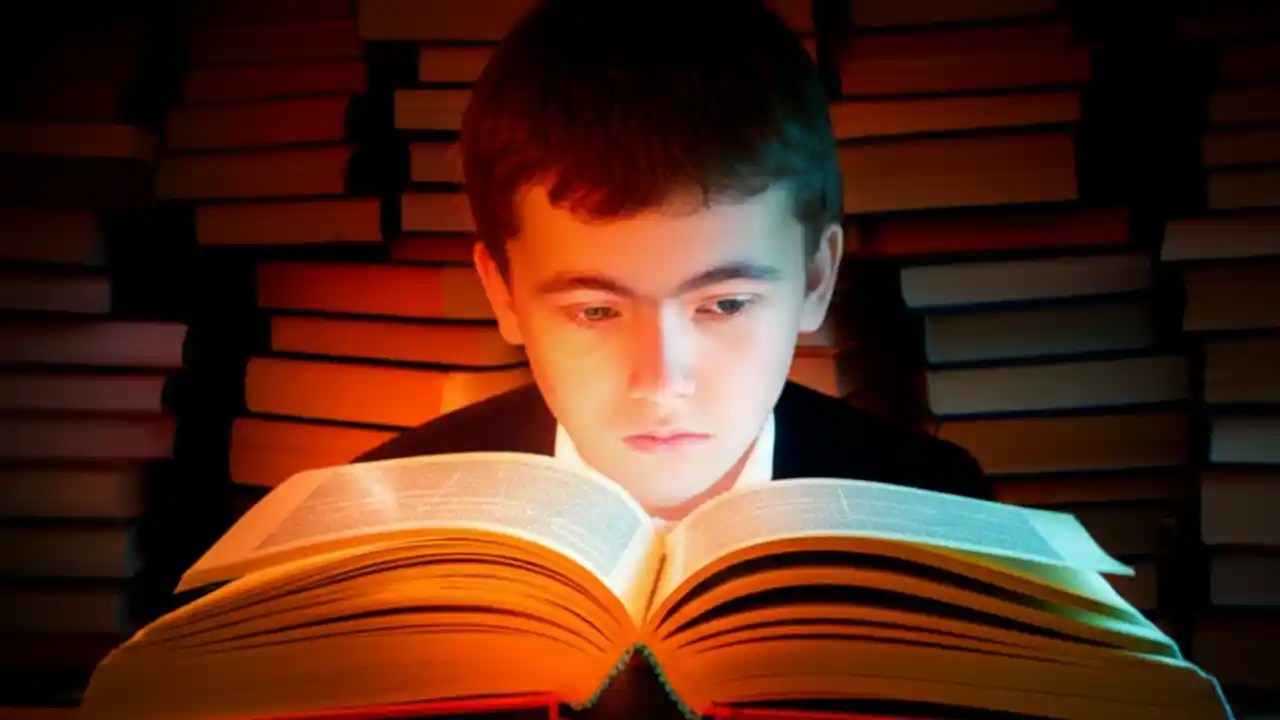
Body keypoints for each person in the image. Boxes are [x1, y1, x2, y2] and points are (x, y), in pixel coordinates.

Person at [356, 0, 990, 522]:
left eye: (726, 304)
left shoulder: (944, 508)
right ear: (502, 294)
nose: (662, 384)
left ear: (817, 279)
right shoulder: (379, 517)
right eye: (596, 310)